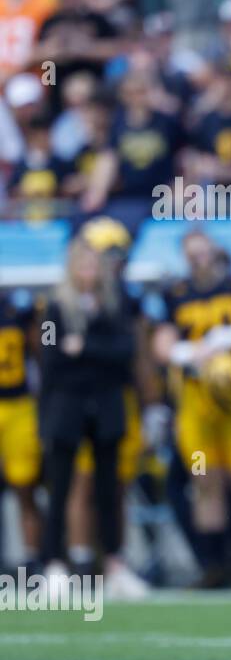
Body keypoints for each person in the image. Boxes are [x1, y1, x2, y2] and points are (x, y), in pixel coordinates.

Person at [152, 228, 231, 587]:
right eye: (193, 254)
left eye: (205, 252)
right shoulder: (175, 293)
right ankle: (215, 567)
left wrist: (225, 340)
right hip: (197, 398)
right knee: (206, 483)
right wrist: (191, 354)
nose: (200, 260)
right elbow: (162, 343)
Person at [38, 235, 145, 596]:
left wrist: (83, 349)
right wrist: (96, 356)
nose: (88, 271)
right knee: (61, 488)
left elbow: (125, 352)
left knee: (109, 489)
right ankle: (54, 563)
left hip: (106, 406)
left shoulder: (115, 305)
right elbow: (50, 356)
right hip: (66, 407)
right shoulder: (55, 307)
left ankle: (115, 562)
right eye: (82, 264)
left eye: (93, 265)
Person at [0, 287, 42, 570]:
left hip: (18, 405)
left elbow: (44, 349)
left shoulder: (19, 307)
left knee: (25, 487)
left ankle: (32, 561)